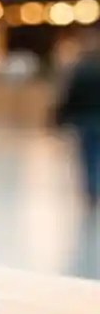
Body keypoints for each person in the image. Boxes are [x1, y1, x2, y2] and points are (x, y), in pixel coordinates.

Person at [56, 31, 100, 207]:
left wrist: (63, 115)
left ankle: (91, 188)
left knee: (88, 155)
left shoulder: (79, 70)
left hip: (85, 120)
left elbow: (71, 95)